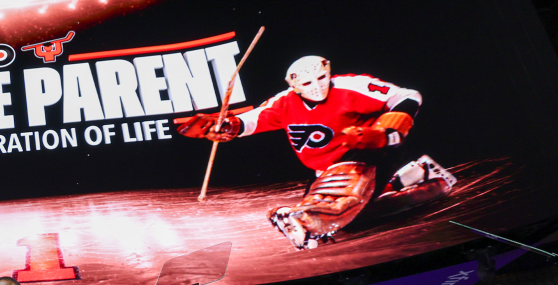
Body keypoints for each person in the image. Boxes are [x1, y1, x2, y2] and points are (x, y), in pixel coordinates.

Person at [176, 55, 455, 250]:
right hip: (326, 170)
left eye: (322, 77)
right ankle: (418, 174)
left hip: (366, 152)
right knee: (350, 216)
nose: (318, 86)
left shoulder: (351, 86)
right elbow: (253, 120)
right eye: (308, 83)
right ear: (294, 85)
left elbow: (408, 95)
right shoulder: (284, 103)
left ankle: (304, 219)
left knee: (338, 204)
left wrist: (388, 129)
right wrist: (229, 126)